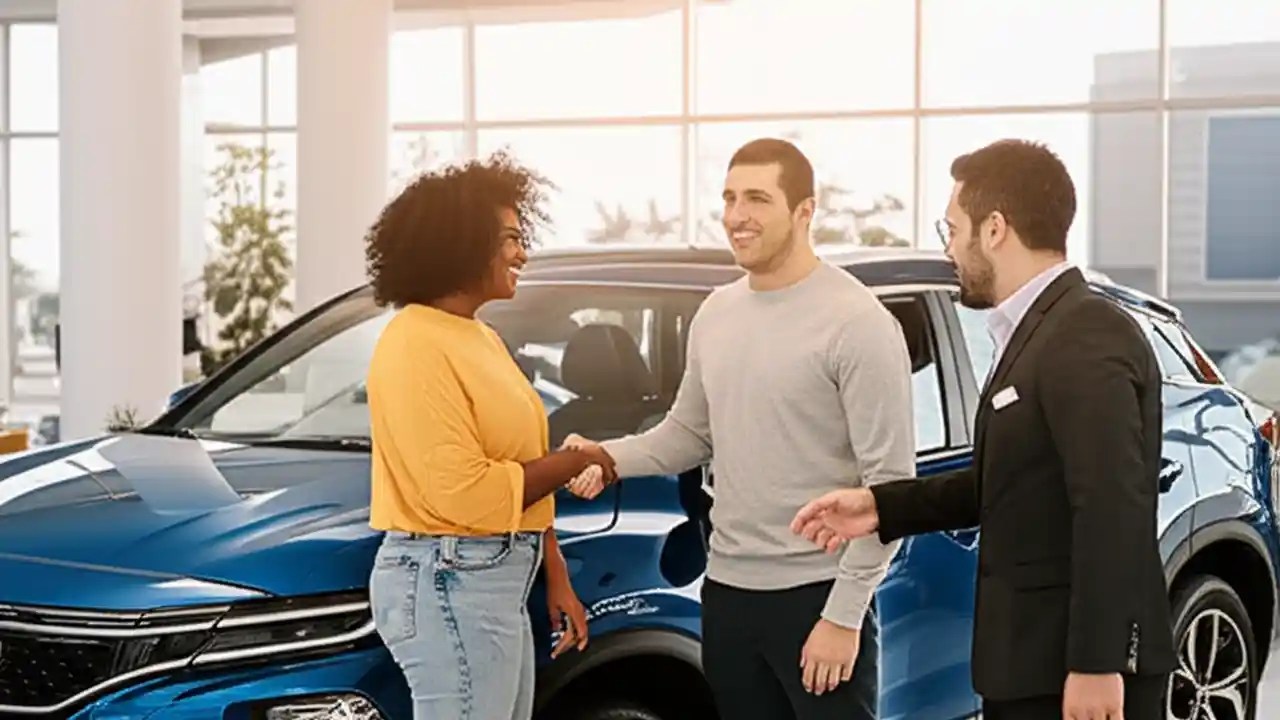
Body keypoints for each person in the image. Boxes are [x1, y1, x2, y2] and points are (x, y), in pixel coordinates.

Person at [790, 139, 1177, 720]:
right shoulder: (1035, 331)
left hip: (1069, 676)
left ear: (994, 229)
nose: (949, 248)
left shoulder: (1084, 333)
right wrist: (879, 506)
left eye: (952, 229)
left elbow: (1110, 507)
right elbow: (1011, 481)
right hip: (1029, 665)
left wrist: (1098, 664)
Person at [563, 137, 916, 720]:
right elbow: (688, 433)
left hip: (817, 598)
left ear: (804, 212)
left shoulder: (857, 323)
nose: (736, 215)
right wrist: (606, 456)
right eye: (729, 198)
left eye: (757, 198)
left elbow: (892, 489)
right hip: (727, 596)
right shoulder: (717, 313)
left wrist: (844, 615)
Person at [363, 152, 617, 720]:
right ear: (462, 242)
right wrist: (578, 458)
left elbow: (517, 467)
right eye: (509, 237)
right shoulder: (414, 342)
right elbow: (466, 493)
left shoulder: (478, 337)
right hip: (448, 581)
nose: (522, 252)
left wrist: (556, 575)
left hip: (489, 576)